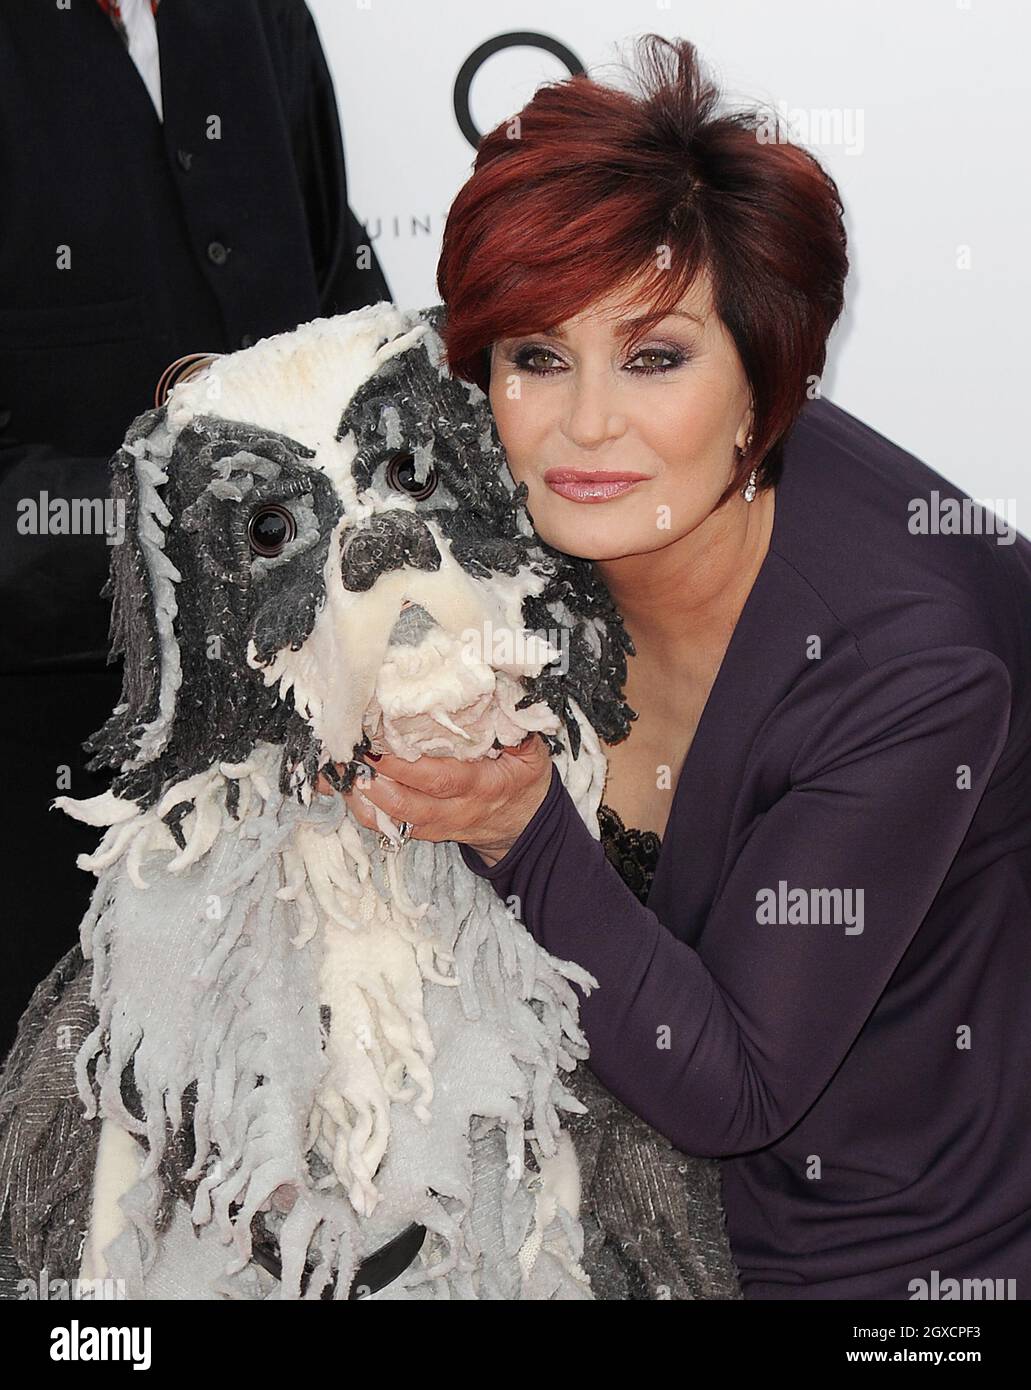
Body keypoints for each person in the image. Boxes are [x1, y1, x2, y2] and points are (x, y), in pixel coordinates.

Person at [335, 35, 1031, 1299]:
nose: (584, 422)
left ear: (765, 384)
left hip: (873, 1266)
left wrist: (522, 830)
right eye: (535, 356)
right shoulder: (522, 502)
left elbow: (737, 1088)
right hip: (568, 1214)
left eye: (653, 357)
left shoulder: (909, 665)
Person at [0, 0, 390, 1054]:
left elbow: (339, 304)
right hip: (44, 794)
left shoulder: (261, 19)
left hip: (297, 765)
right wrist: (190, 528)